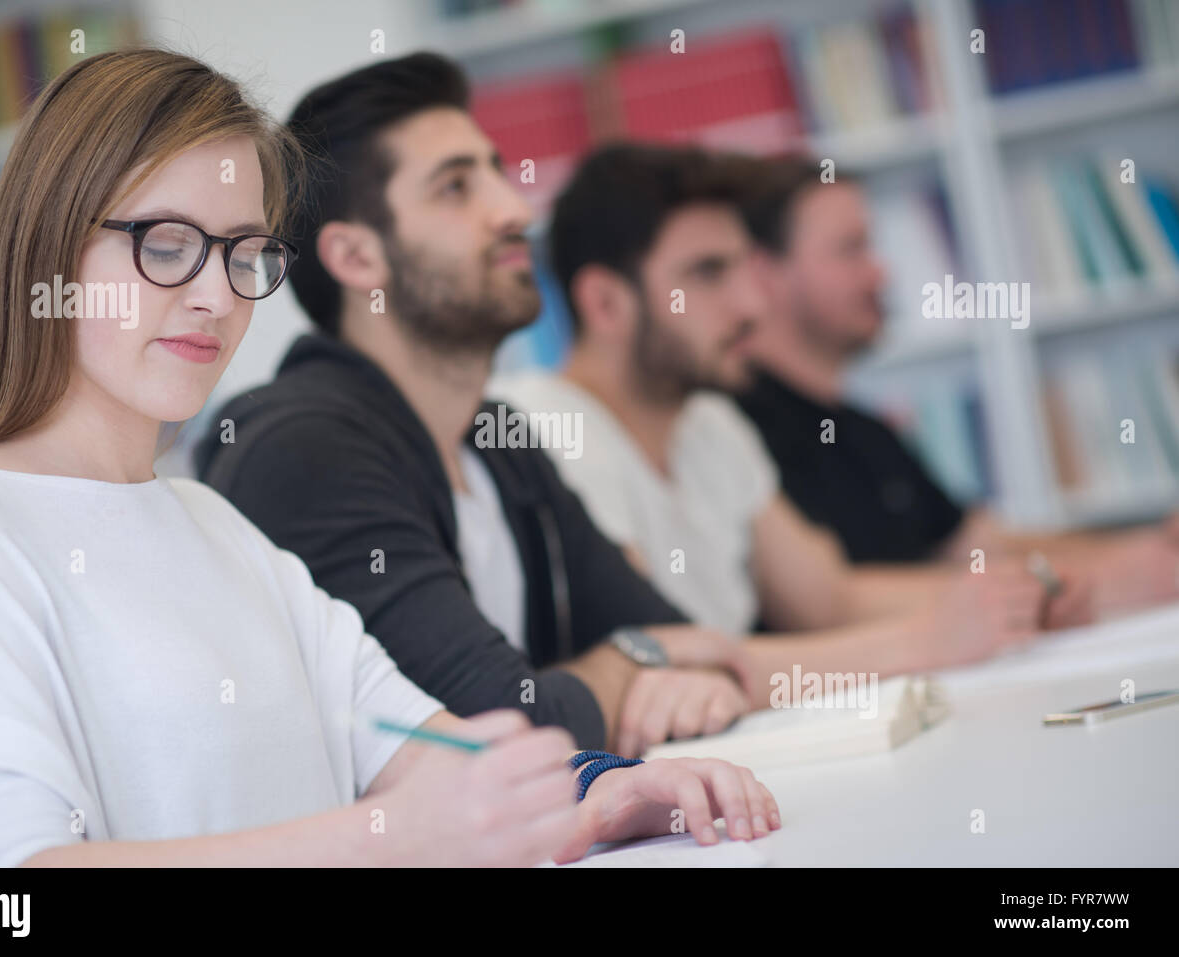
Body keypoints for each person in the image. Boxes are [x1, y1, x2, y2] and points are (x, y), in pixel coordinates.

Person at [0, 49, 779, 868]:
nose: (215, 296)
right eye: (166, 246)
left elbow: (430, 750)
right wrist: (376, 841)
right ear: (51, 245)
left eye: (245, 253)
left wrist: (597, 789)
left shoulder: (215, 525)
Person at [197, 52, 772, 760]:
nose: (515, 210)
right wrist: (632, 665)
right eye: (456, 188)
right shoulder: (303, 451)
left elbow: (689, 640)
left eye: (496, 173)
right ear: (356, 259)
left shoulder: (498, 436)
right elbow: (494, 733)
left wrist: (639, 664)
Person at [493, 143, 1088, 680]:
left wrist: (1015, 593)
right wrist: (926, 640)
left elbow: (828, 600)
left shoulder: (709, 423)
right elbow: (666, 660)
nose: (752, 306)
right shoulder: (544, 430)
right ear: (605, 302)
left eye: (744, 269)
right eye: (708, 273)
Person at [733, 154, 1179, 612]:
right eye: (852, 249)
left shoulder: (865, 429)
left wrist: (1146, 551)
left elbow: (974, 544)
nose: (880, 272)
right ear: (766, 273)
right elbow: (828, 600)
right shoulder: (738, 431)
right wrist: (1065, 585)